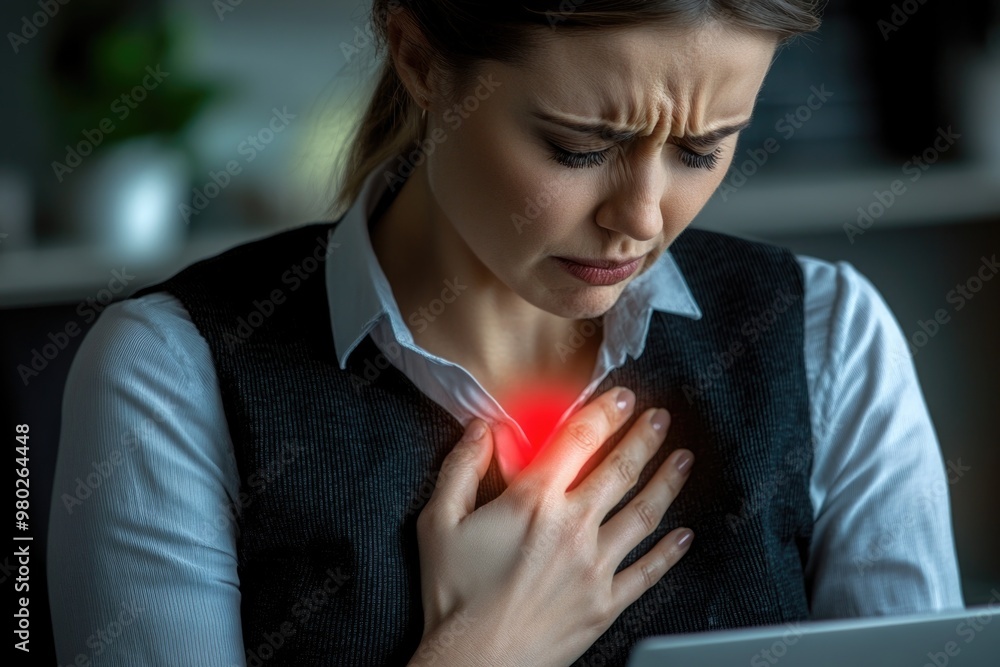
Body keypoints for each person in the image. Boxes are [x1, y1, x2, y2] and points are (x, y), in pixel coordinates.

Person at [47, 1, 965, 666]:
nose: (642, 218)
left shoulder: (830, 337)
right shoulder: (170, 373)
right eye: (580, 146)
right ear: (418, 57)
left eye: (703, 149)